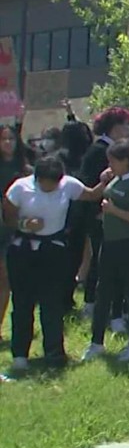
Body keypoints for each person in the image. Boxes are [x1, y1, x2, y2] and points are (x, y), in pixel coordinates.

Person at [3, 155, 107, 374]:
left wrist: (105, 180)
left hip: (53, 249)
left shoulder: (68, 184)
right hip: (23, 249)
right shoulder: (20, 188)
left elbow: (91, 194)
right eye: (47, 184)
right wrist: (25, 223)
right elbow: (8, 217)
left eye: (55, 184)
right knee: (22, 303)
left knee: (52, 303)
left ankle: (54, 354)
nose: (51, 188)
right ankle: (20, 355)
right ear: (37, 179)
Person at [81, 139, 129, 363]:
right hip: (110, 242)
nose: (109, 164)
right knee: (103, 291)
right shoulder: (116, 179)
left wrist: (114, 211)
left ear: (126, 161)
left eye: (113, 161)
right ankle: (96, 342)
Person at [78, 106, 129, 318]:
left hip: (115, 212)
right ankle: (91, 302)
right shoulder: (98, 151)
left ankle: (113, 304)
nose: (128, 129)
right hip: (99, 213)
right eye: (125, 125)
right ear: (114, 127)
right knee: (100, 258)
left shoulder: (117, 150)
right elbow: (89, 183)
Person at [0, 125, 33, 338]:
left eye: (11, 139)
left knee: (5, 278)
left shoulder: (25, 169)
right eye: (3, 139)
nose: (7, 143)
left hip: (15, 227)